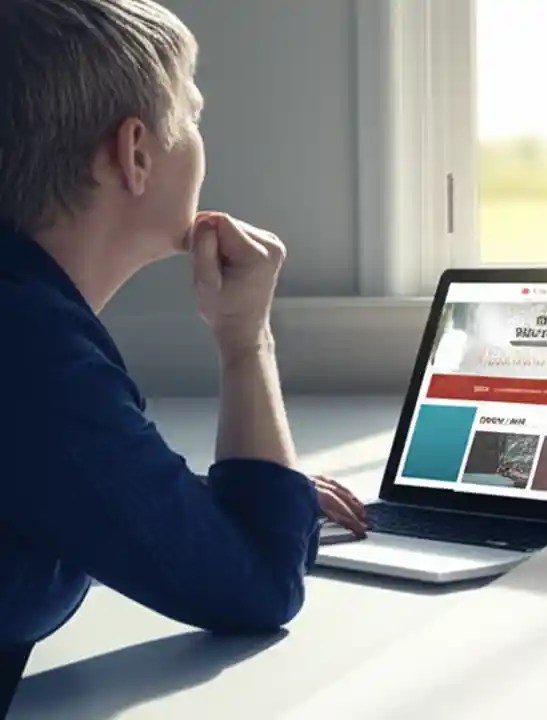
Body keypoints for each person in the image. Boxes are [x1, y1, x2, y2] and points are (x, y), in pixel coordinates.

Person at [0, 0, 368, 706]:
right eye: (192, 116)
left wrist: (178, 503)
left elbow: (62, 488)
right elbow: (260, 583)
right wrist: (245, 337)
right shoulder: (37, 362)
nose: (202, 139)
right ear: (134, 154)